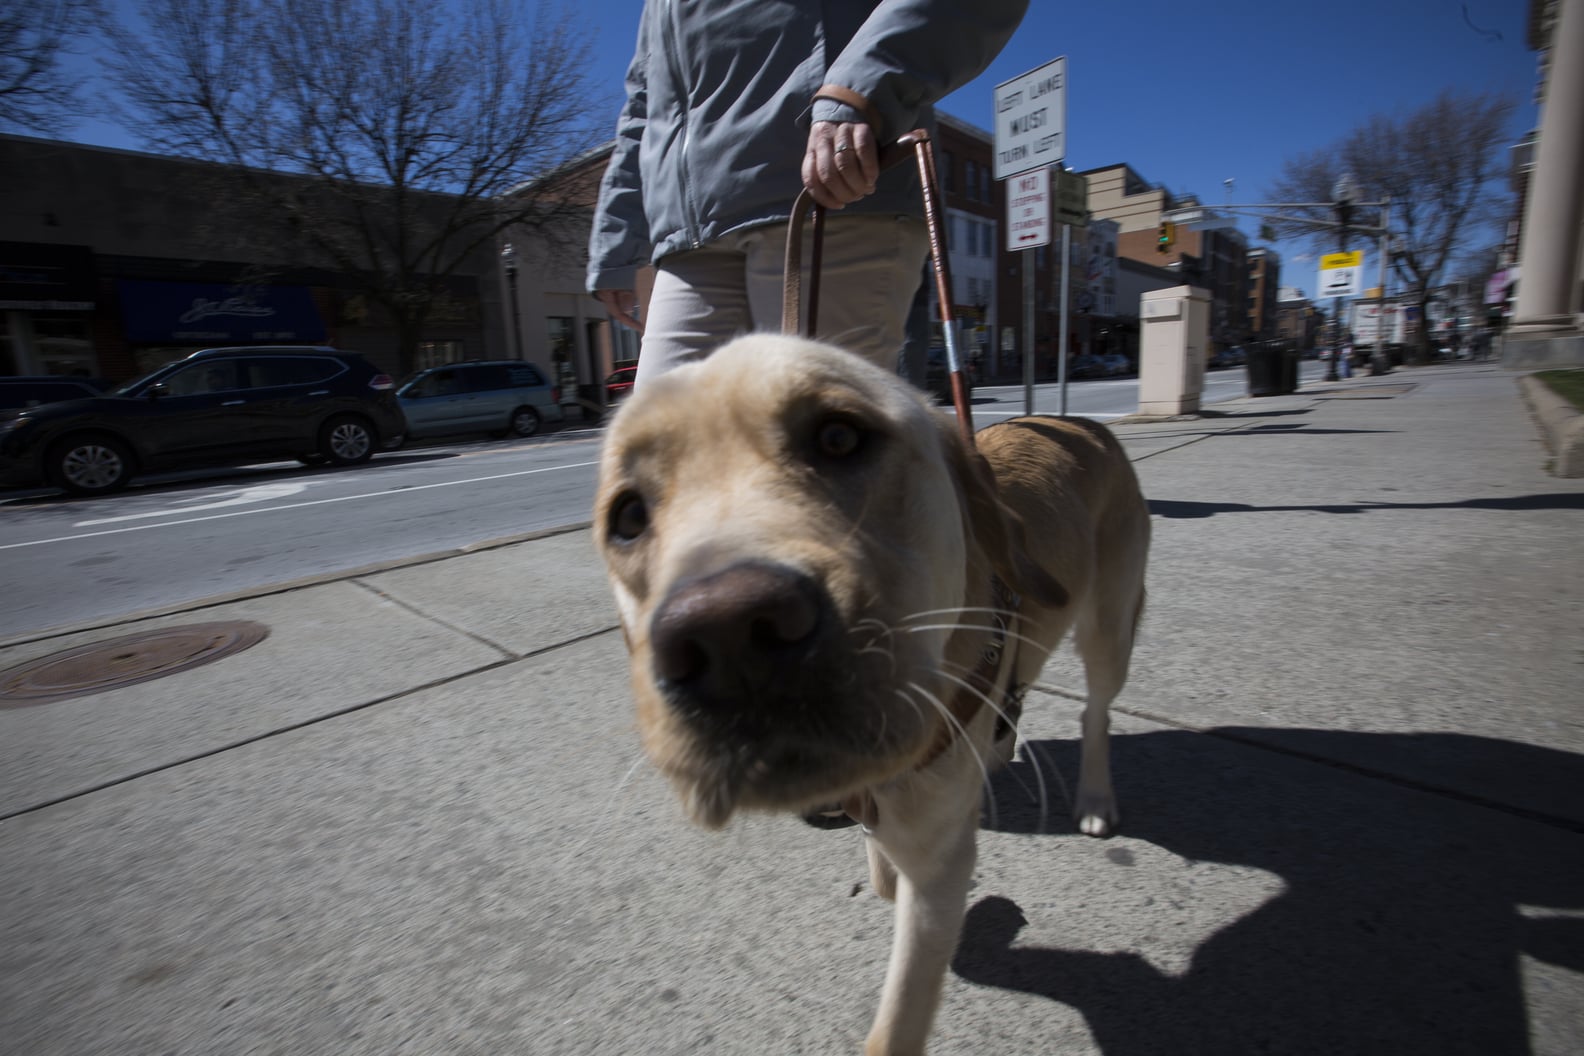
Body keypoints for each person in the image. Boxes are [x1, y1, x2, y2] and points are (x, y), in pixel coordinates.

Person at [587, 1, 1029, 389]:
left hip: (826, 198)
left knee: (816, 458)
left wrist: (860, 91)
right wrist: (617, 244)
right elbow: (645, 107)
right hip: (689, 235)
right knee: (664, 458)